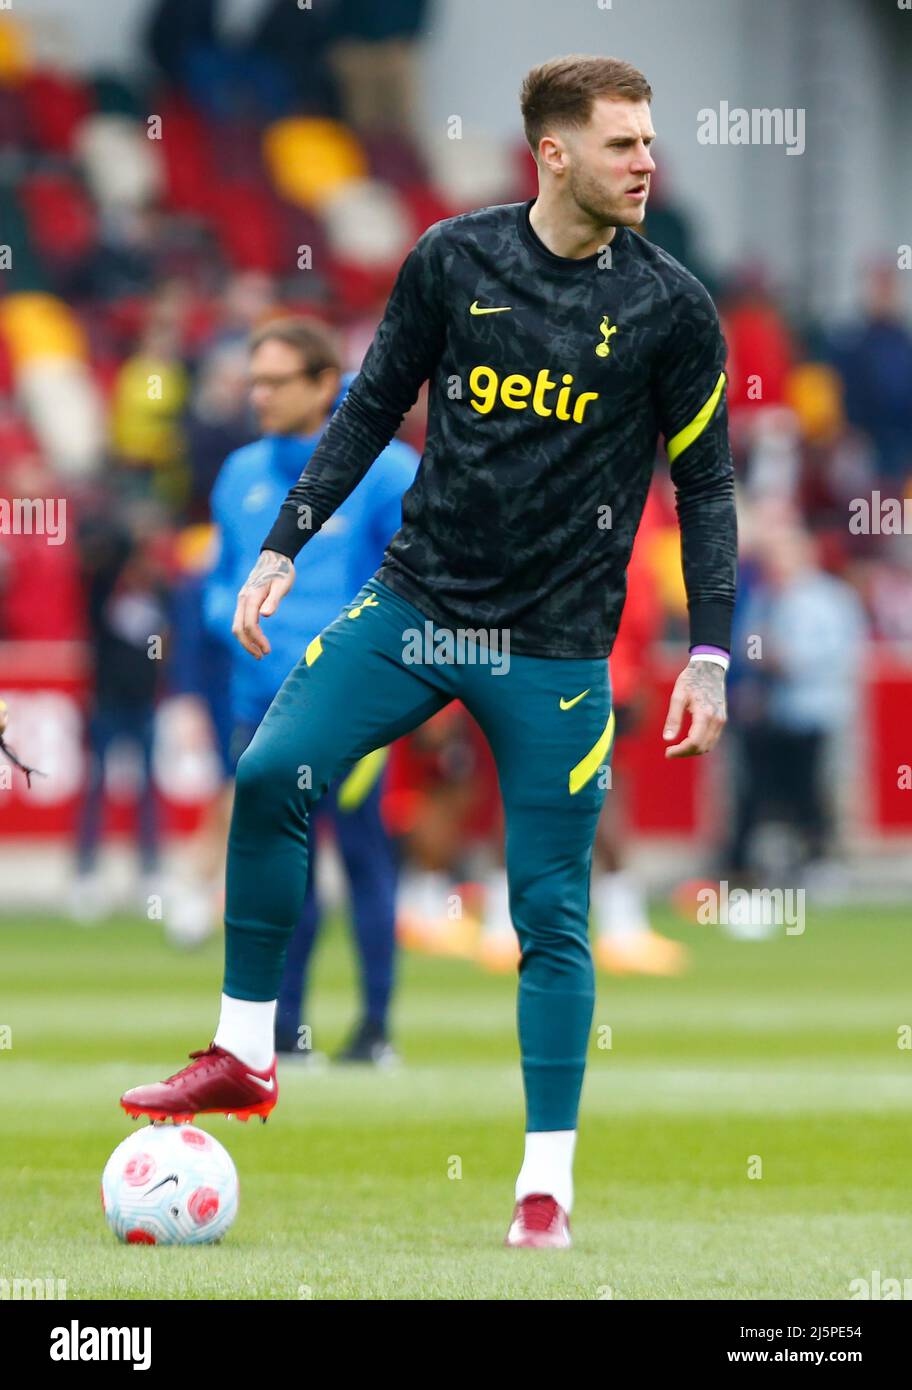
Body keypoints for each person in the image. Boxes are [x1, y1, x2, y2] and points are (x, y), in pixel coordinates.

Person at [121, 55, 737, 1250]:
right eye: (622, 144)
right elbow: (363, 408)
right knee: (267, 774)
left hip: (556, 648)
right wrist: (281, 547)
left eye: (649, 141)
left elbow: (707, 485)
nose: (647, 161)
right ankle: (247, 1052)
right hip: (416, 605)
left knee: (550, 908)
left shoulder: (674, 308)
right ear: (551, 153)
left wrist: (711, 650)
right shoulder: (454, 260)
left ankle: (542, 1185)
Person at [200, 317, 417, 1061]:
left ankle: (376, 1028)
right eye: (252, 380)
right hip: (257, 702)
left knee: (361, 858)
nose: (257, 395)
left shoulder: (387, 471)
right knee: (275, 865)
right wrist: (224, 613)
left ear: (326, 384)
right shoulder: (237, 474)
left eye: (274, 381)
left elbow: (411, 581)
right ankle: (280, 1030)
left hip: (351, 705)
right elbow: (222, 576)